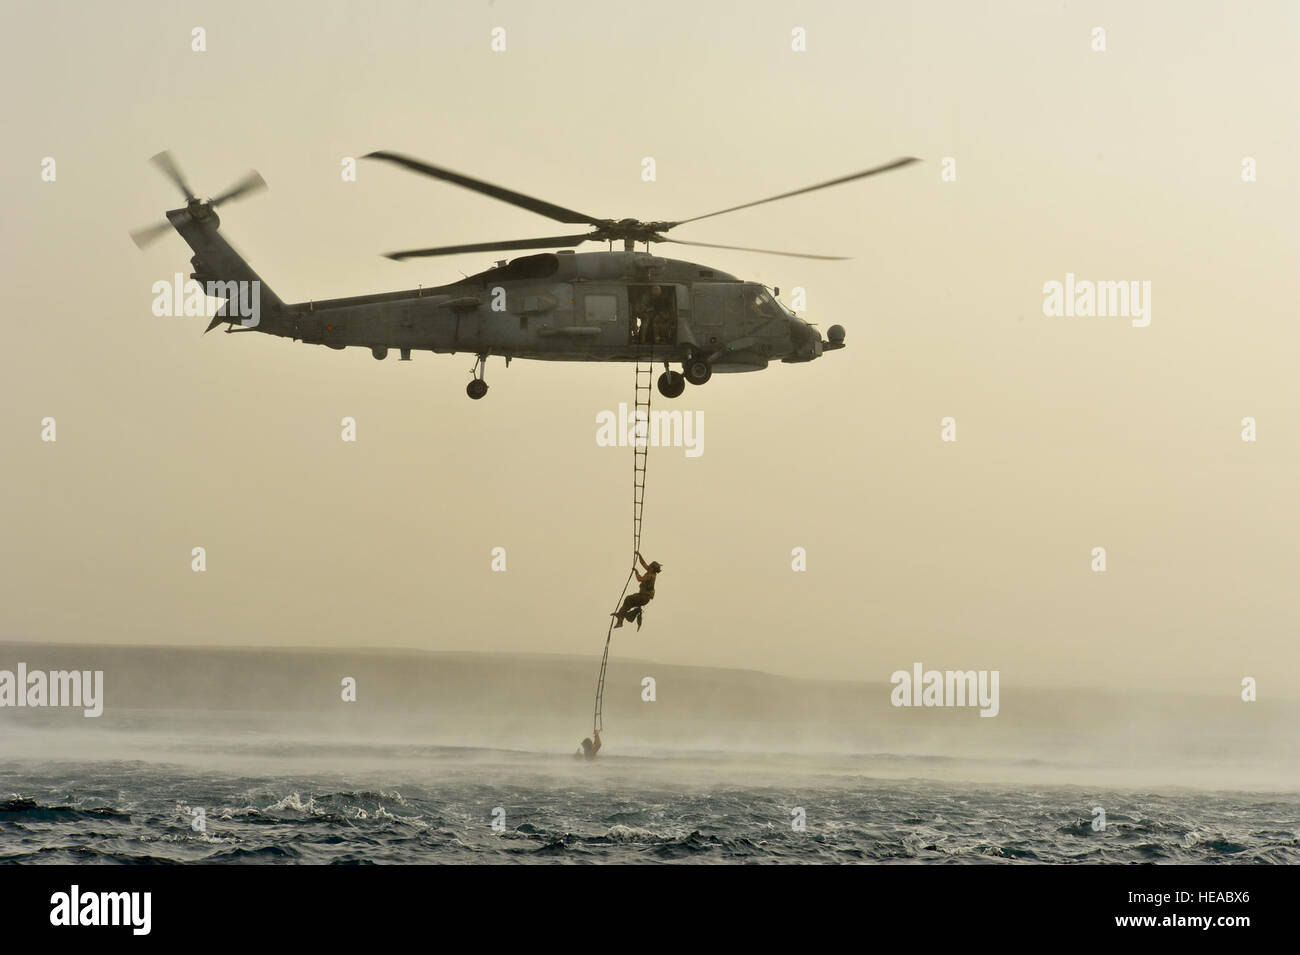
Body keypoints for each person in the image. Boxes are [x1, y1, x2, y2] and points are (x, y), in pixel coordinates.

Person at [612, 551, 662, 630]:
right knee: (628, 602)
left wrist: (636, 572)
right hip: (642, 597)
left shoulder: (650, 575)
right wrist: (639, 555)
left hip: (644, 597)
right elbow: (643, 563)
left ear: (653, 568)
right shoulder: (650, 571)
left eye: (650, 566)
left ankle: (621, 616)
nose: (648, 566)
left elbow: (640, 579)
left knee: (628, 599)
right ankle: (620, 619)